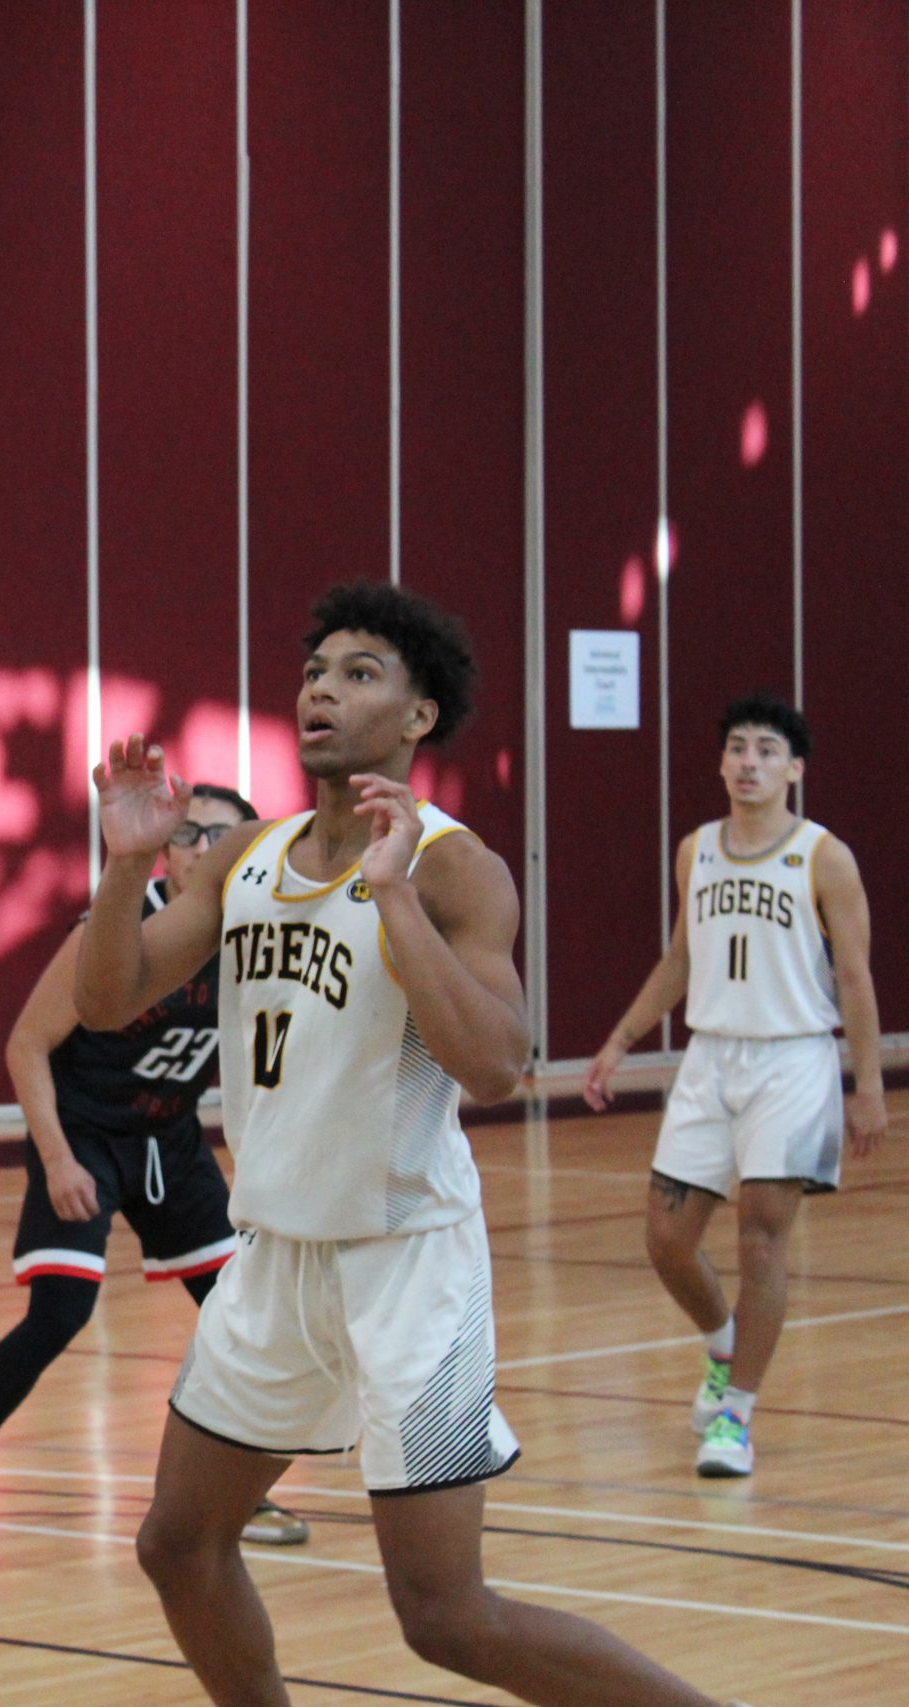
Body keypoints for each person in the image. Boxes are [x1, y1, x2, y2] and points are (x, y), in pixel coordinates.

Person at [77, 585, 734, 1707]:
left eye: (359, 672)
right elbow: (108, 1001)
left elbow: (494, 1064)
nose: (322, 688)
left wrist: (394, 904)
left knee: (444, 1618)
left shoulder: (449, 866)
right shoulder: (244, 855)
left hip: (407, 1266)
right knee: (176, 1545)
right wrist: (124, 868)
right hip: (274, 1257)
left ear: (419, 717)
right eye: (315, 668)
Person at [0, 783, 310, 1557]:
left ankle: (234, 1488)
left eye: (216, 835)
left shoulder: (250, 936)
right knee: (60, 1312)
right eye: (186, 833)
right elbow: (26, 1043)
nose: (197, 847)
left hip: (170, 1138)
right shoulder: (124, 923)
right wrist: (56, 1157)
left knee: (240, 1312)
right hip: (85, 1132)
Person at [583, 692, 885, 1478]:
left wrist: (869, 1085)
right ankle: (723, 1337)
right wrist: (619, 1040)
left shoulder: (824, 856)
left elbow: (853, 977)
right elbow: (682, 957)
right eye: (738, 748)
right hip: (709, 1059)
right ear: (721, 762)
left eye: (766, 750)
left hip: (793, 1061)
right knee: (666, 1236)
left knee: (760, 1238)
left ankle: (736, 1416)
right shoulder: (697, 850)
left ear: (794, 768)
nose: (750, 761)